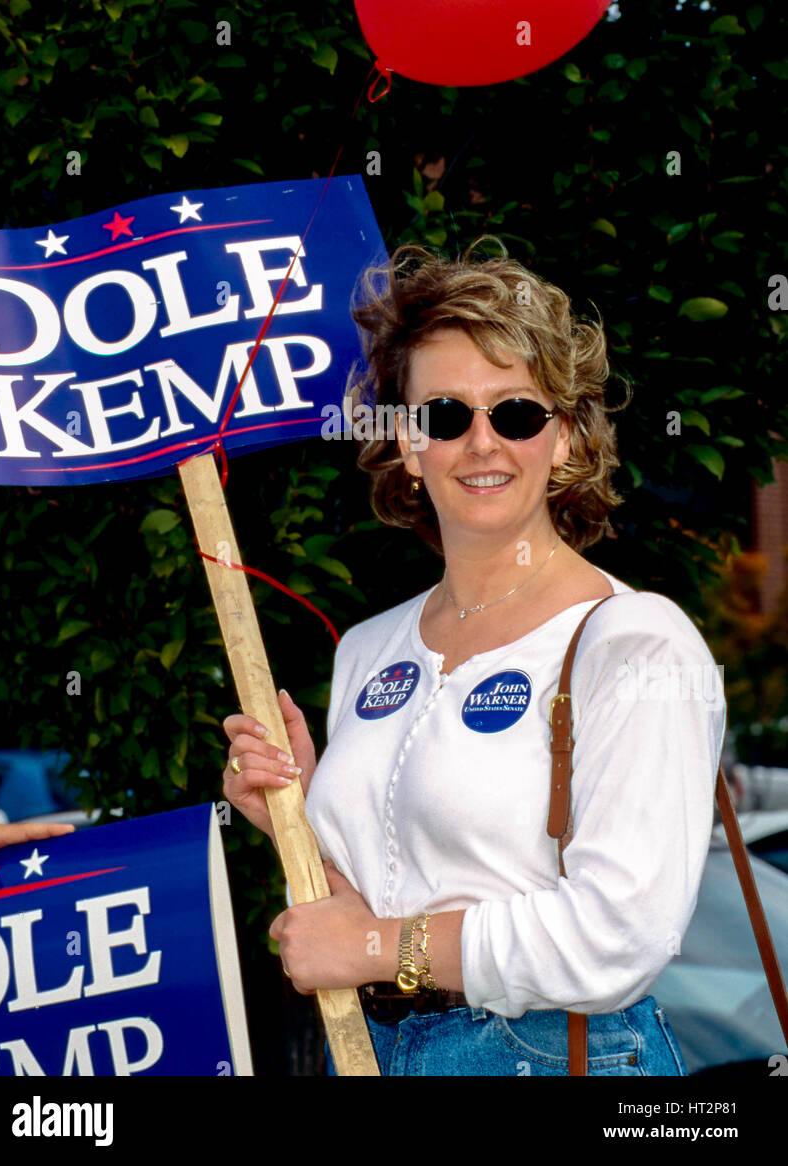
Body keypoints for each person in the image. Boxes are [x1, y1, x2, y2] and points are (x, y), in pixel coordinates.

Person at [222, 242, 726, 1077]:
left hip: (551, 1055)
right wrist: (292, 811)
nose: (482, 442)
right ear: (408, 448)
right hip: (377, 1053)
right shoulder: (369, 648)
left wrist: (383, 948)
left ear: (565, 438)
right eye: (445, 415)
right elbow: (374, 908)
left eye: (518, 413)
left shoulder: (635, 641)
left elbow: (619, 934)